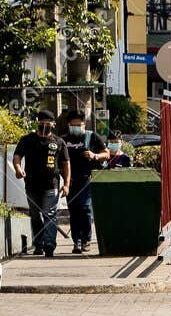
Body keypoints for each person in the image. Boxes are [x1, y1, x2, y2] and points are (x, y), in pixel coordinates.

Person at [10, 111, 70, 258]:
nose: (45, 125)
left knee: (50, 215)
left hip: (52, 185)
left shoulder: (58, 142)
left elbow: (66, 163)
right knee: (35, 216)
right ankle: (39, 244)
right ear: (38, 123)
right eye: (42, 122)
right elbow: (17, 156)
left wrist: (67, 183)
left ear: (53, 125)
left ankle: (49, 246)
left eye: (48, 123)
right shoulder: (27, 139)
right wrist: (18, 169)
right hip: (31, 185)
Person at [61, 110, 108, 254]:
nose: (76, 127)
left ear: (84, 124)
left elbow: (106, 154)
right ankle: (77, 242)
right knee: (74, 210)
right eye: (73, 125)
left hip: (87, 179)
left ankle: (87, 239)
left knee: (85, 209)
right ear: (68, 125)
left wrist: (94, 155)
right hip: (70, 181)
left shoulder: (92, 136)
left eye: (79, 125)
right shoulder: (63, 139)